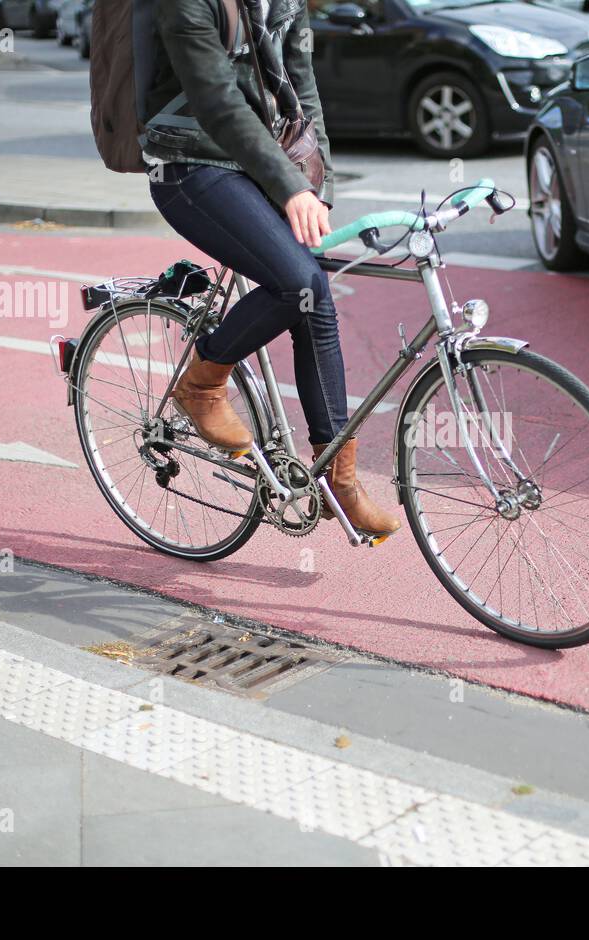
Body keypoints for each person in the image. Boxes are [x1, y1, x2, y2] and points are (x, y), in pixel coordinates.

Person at [143, 0, 400, 538]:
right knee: (297, 281)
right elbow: (217, 102)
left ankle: (338, 478)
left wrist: (315, 185)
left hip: (262, 160)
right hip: (190, 162)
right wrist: (289, 188)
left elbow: (304, 95)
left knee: (315, 298)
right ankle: (202, 384)